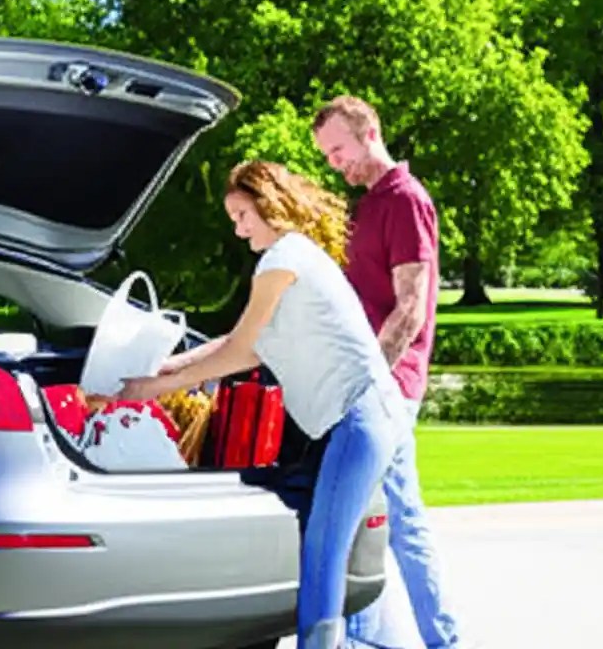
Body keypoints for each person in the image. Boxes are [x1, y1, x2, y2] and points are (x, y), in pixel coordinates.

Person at [118, 159, 410, 649]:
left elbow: (236, 353)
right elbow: (249, 344)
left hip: (358, 420)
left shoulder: (279, 261)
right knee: (331, 544)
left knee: (324, 551)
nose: (237, 228)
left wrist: (153, 388)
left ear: (267, 203)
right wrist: (168, 365)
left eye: (241, 214)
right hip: (364, 417)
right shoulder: (297, 255)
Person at [312, 95, 466, 648]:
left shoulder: (404, 199)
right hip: (370, 385)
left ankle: (434, 640)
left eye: (338, 149)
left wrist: (371, 383)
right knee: (375, 516)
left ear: (369, 131)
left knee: (388, 516)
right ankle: (377, 637)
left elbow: (411, 304)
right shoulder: (371, 204)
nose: (334, 163)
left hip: (387, 387)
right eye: (327, 155)